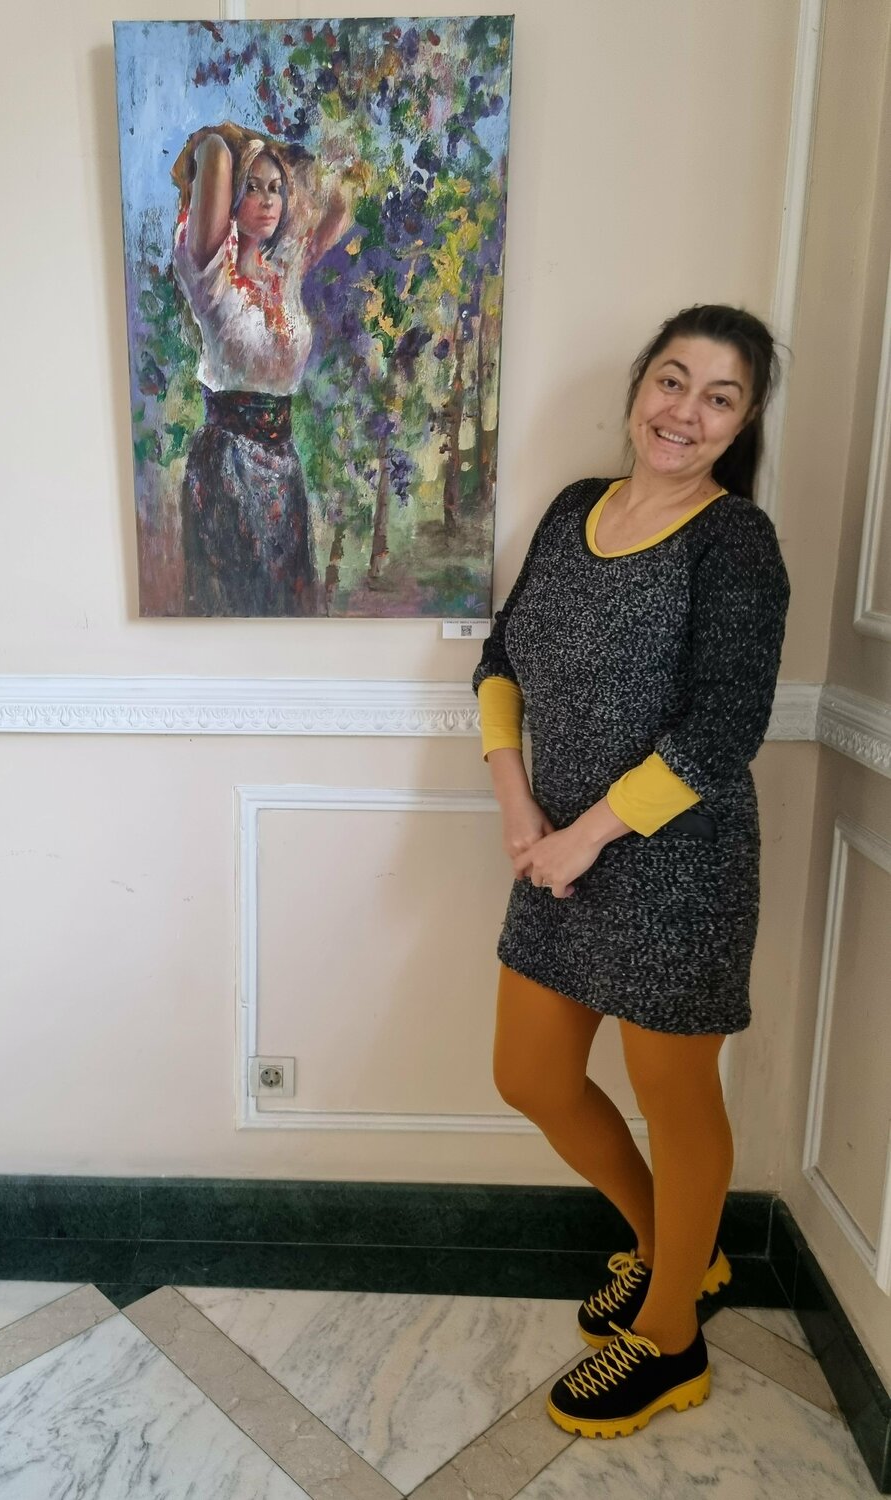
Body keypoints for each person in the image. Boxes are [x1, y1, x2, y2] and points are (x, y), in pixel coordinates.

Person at [473, 304, 790, 1439]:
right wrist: (521, 808)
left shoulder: (735, 541)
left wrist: (583, 834)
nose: (686, 412)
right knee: (532, 1077)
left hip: (679, 871)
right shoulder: (572, 513)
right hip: (551, 851)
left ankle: (670, 1338)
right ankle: (673, 1251)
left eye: (720, 397)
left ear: (743, 422)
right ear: (638, 387)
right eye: (674, 380)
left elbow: (721, 733)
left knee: (676, 1100)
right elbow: (502, 662)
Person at [170, 123, 365, 616]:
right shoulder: (210, 272)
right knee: (237, 611)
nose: (266, 199)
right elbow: (214, 154)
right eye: (251, 187)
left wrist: (289, 162)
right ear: (230, 196)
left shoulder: (287, 271)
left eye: (276, 189)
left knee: (287, 611)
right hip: (227, 468)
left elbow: (343, 201)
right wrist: (236, 143)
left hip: (283, 469)